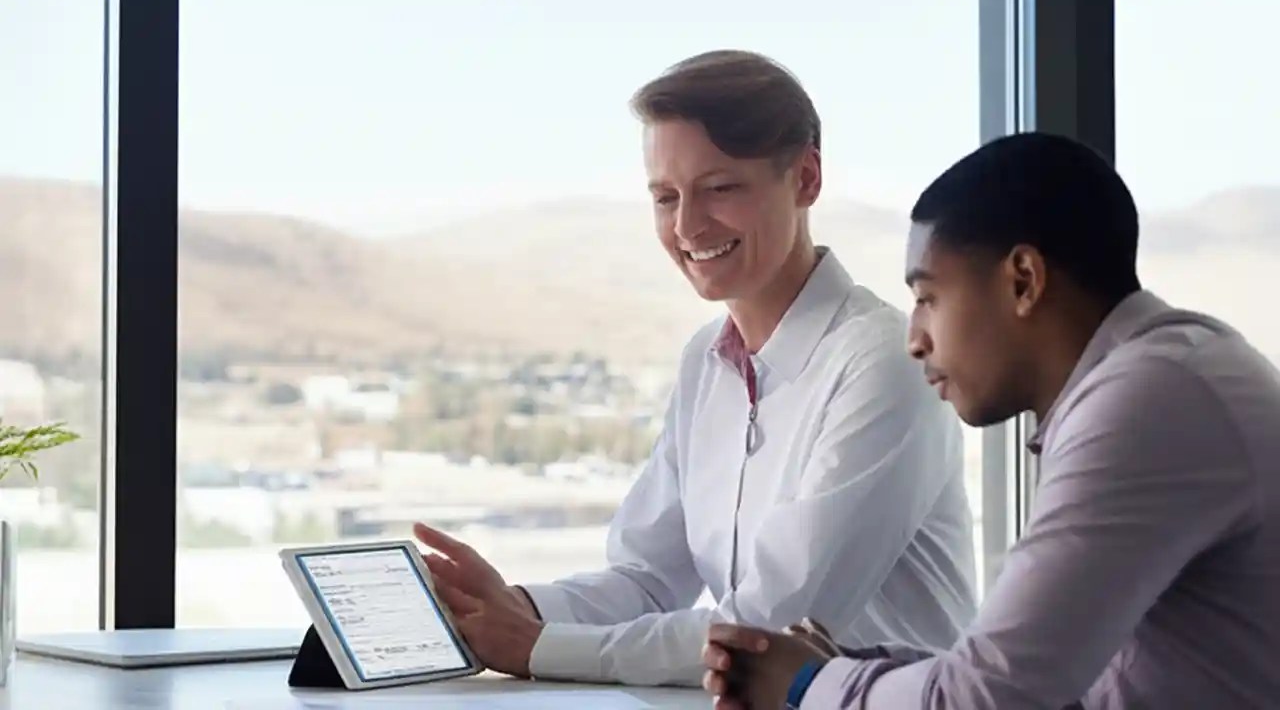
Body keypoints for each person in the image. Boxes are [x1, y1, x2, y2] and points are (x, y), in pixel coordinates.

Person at [412, 49, 977, 688]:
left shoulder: (883, 363)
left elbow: (765, 632)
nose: (686, 225)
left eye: (720, 189)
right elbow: (647, 581)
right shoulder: (707, 362)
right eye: (665, 197)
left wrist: (537, 646)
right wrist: (517, 608)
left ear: (806, 179)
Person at [701, 131, 1280, 709]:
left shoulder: (1149, 401)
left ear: (1023, 280)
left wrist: (805, 685)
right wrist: (845, 671)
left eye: (928, 297)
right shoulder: (1161, 376)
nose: (914, 339)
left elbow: (988, 699)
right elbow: (1048, 683)